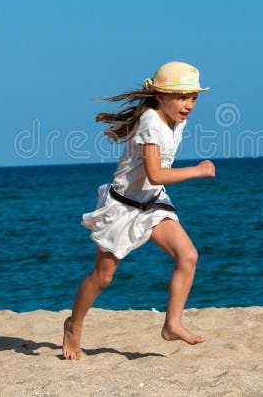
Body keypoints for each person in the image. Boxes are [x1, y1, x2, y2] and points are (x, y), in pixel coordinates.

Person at [62, 61, 215, 360]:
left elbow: (155, 183)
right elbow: (156, 173)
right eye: (182, 97)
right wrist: (197, 171)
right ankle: (73, 325)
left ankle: (172, 324)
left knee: (188, 255)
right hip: (122, 207)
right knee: (103, 277)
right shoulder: (150, 123)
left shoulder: (176, 120)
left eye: (193, 98)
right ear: (160, 96)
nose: (189, 105)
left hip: (152, 203)